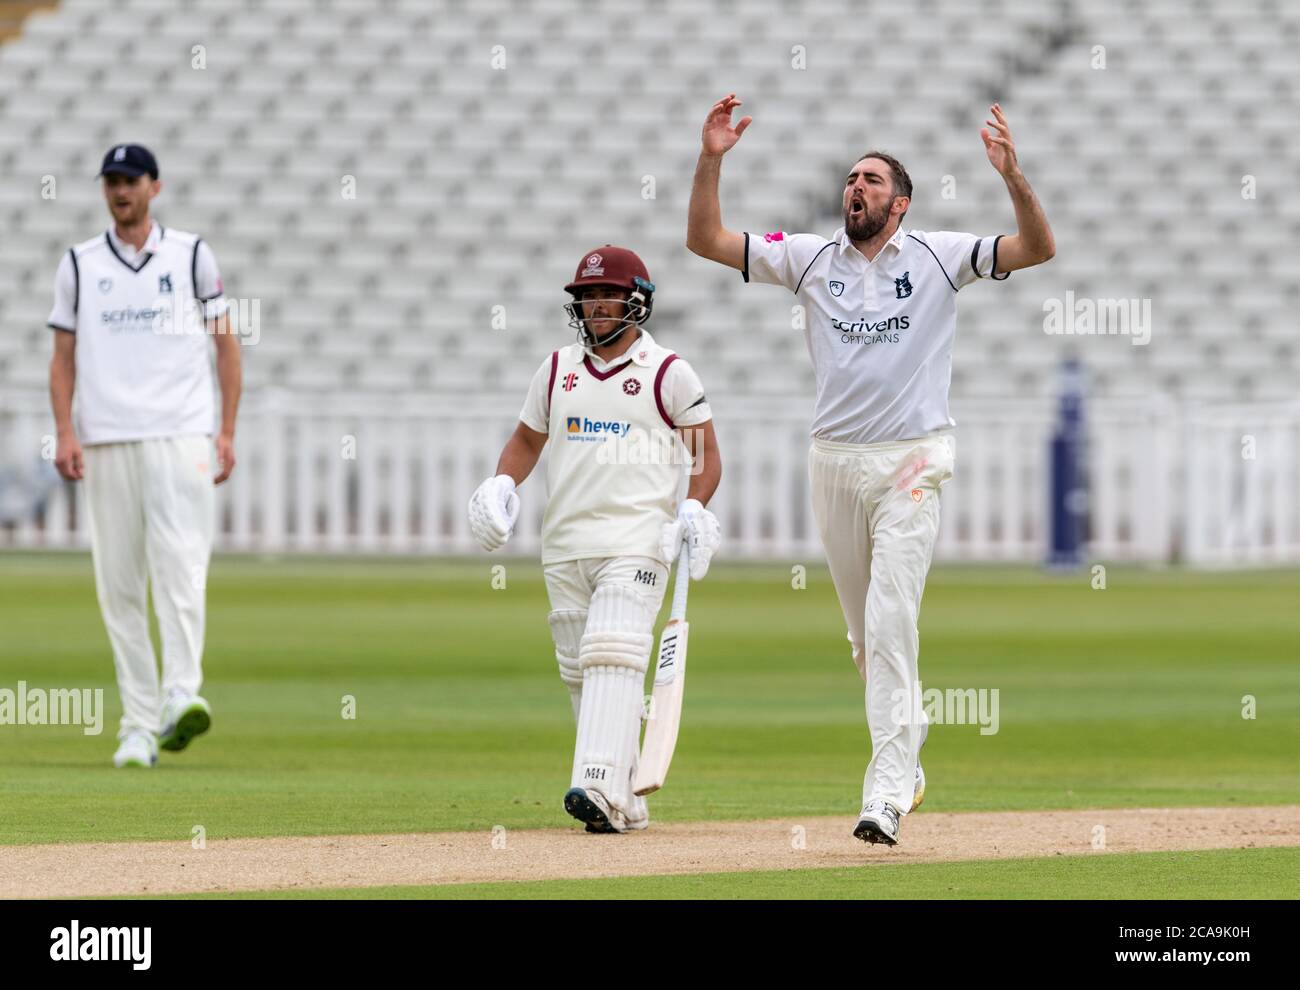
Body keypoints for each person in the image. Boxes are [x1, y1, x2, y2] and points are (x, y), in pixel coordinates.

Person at [686, 95, 1055, 845]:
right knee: (865, 639)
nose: (855, 187)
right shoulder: (809, 257)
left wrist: (1015, 177)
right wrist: (712, 158)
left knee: (891, 621)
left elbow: (1038, 249)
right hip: (834, 462)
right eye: (851, 178)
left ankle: (884, 795)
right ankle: (909, 748)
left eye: (872, 180)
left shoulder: (939, 256)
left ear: (901, 202)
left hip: (915, 458)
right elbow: (704, 240)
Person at [468, 245, 722, 833]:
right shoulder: (557, 369)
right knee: (584, 669)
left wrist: (691, 507)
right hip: (565, 543)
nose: (595, 306)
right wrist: (503, 482)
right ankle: (626, 802)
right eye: (585, 297)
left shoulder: (669, 372)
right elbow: (527, 441)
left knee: (613, 653)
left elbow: (706, 458)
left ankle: (598, 785)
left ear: (637, 302)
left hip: (637, 540)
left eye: (606, 294)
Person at [48, 144, 242, 768]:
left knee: (182, 567)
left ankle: (180, 695)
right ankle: (136, 724)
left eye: (130, 180)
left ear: (155, 187)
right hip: (107, 436)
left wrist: (226, 430)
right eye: (112, 181)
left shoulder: (190, 255)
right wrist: (66, 431)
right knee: (121, 584)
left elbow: (226, 346)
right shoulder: (79, 263)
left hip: (181, 432)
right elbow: (63, 358)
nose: (120, 190)